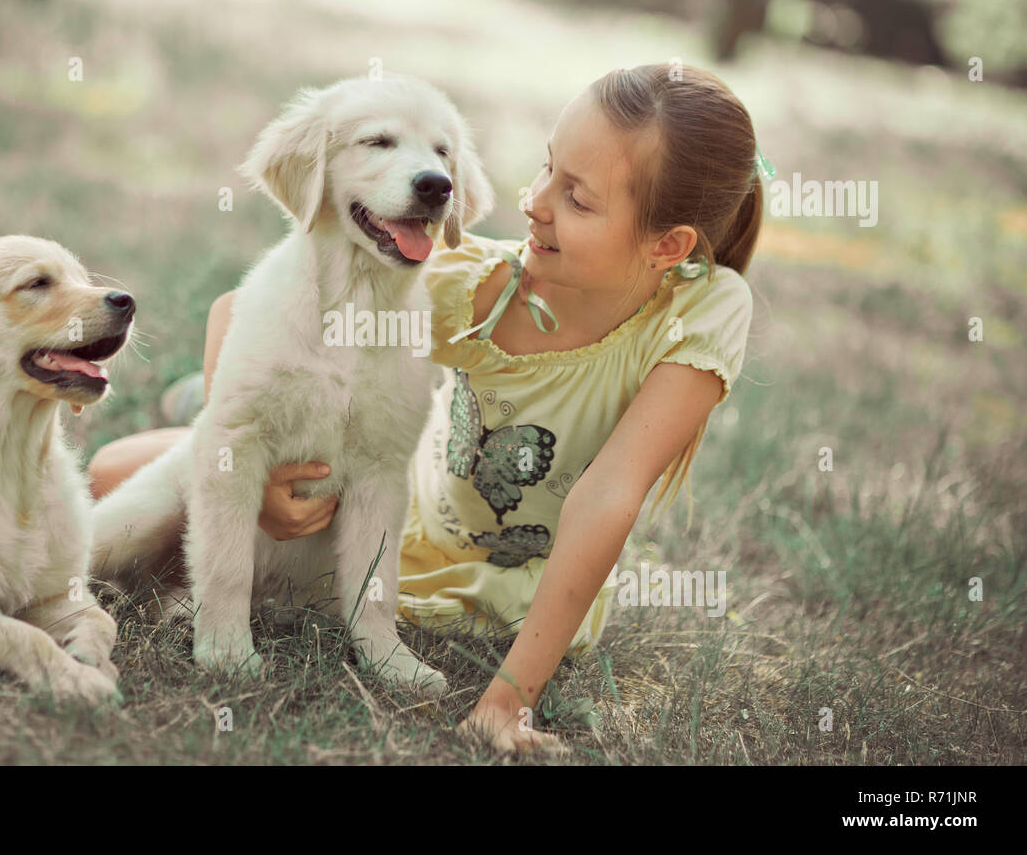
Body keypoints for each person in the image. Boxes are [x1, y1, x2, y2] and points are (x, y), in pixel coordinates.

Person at [89, 63, 760, 754]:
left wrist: (508, 702)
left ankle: (200, 429)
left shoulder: (703, 308)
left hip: (464, 567)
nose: (533, 202)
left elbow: (609, 496)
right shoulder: (463, 279)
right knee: (125, 469)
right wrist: (252, 479)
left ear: (669, 246)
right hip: (371, 480)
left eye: (579, 199)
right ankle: (197, 404)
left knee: (152, 481)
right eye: (546, 168)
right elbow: (239, 314)